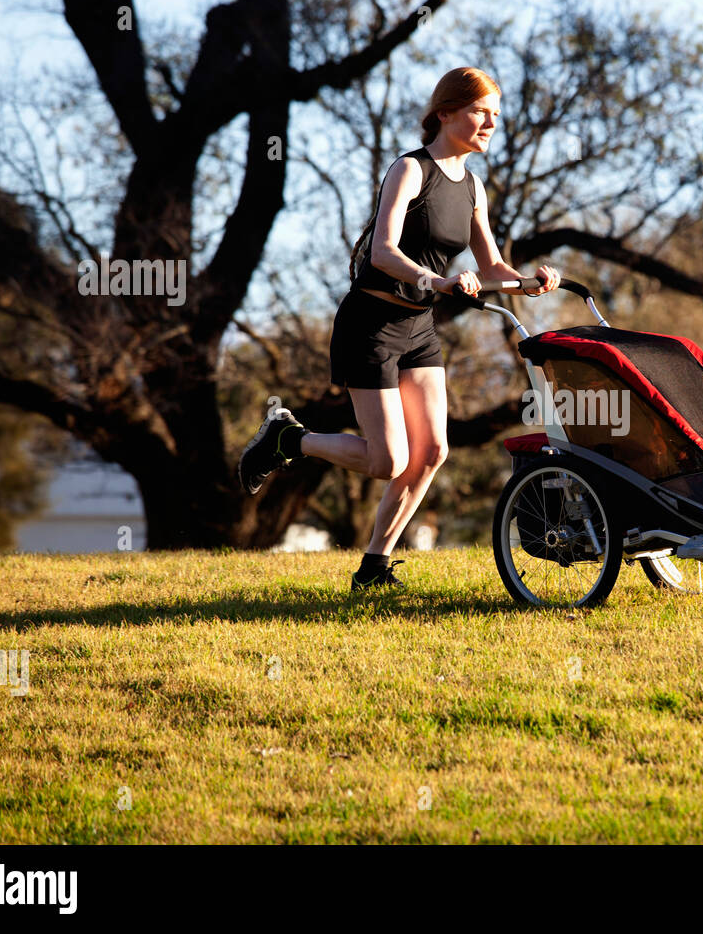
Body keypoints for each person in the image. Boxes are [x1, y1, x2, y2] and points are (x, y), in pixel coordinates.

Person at [238, 67, 560, 590]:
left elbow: (493, 265)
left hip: (418, 327)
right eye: (481, 112)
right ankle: (291, 439)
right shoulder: (410, 170)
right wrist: (436, 280)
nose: (490, 124)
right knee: (389, 460)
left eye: (496, 116)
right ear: (445, 112)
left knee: (432, 452)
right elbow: (383, 251)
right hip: (371, 323)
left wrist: (528, 282)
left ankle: (373, 567)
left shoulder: (473, 186)